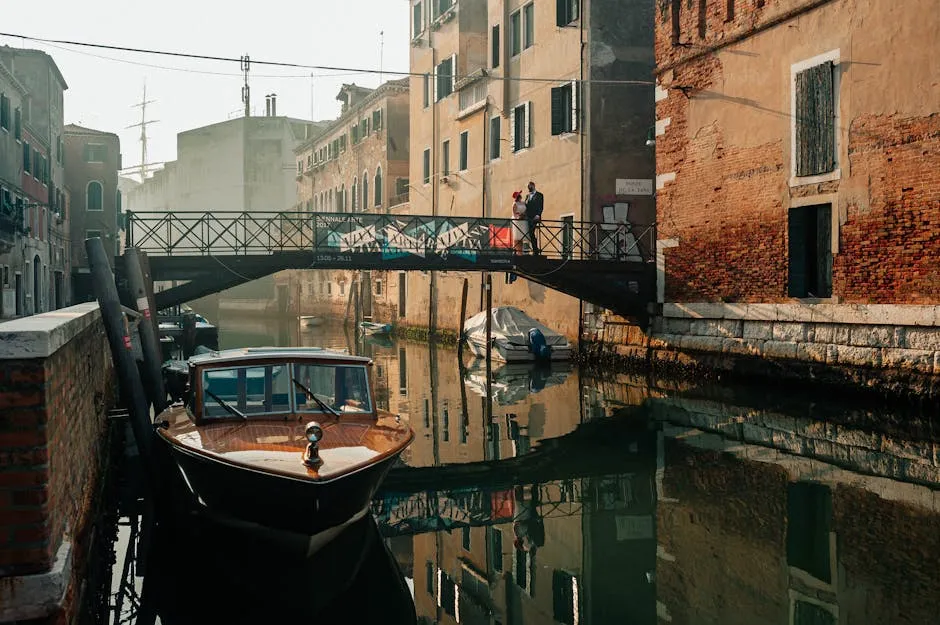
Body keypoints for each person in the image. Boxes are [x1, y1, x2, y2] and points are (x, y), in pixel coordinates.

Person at [524, 181, 543, 255]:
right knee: (529, 233)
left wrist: (538, 215)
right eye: (528, 187)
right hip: (528, 218)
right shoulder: (527, 196)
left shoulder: (540, 195)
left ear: (533, 186)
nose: (529, 188)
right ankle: (533, 249)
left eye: (530, 187)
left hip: (535, 217)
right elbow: (526, 206)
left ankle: (535, 250)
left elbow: (541, 206)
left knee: (531, 232)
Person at [511, 191, 528, 255]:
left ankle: (522, 252)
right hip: (517, 221)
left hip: (523, 221)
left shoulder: (523, 203)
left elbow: (526, 210)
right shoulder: (515, 204)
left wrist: (524, 215)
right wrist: (519, 216)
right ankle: (518, 252)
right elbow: (514, 213)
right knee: (517, 238)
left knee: (522, 236)